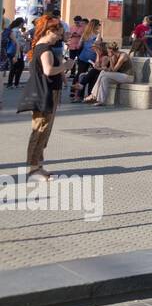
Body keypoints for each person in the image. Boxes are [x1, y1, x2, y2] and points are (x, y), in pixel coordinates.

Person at [17, 14, 75, 181]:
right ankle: (33, 169)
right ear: (49, 31)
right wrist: (65, 66)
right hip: (44, 93)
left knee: (43, 131)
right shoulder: (45, 49)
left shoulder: (42, 47)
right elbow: (48, 70)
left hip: (45, 92)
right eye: (58, 33)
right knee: (40, 131)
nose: (59, 37)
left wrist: (62, 71)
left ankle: (38, 166)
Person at [72, 19, 101, 100]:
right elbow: (97, 44)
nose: (99, 26)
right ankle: (89, 94)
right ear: (95, 26)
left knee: (81, 74)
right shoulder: (97, 34)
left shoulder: (85, 34)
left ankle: (78, 95)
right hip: (93, 57)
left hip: (83, 57)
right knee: (92, 75)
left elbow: (79, 45)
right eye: (98, 25)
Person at [5, 19, 27, 88]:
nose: (23, 24)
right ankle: (12, 84)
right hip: (16, 51)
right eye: (23, 23)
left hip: (17, 51)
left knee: (17, 67)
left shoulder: (15, 30)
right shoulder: (15, 30)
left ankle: (14, 83)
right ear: (20, 23)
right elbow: (16, 42)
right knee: (16, 67)